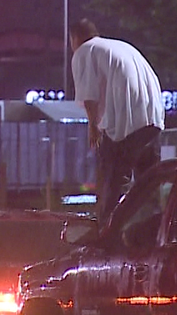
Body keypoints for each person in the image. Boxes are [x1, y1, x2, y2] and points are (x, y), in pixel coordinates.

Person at [69, 18, 165, 223]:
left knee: (112, 184)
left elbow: (89, 96)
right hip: (153, 121)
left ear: (75, 38)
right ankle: (152, 236)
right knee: (148, 187)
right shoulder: (120, 46)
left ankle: (107, 238)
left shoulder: (85, 51)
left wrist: (93, 127)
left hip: (124, 125)